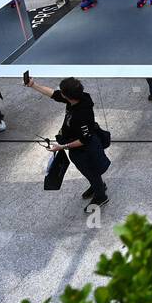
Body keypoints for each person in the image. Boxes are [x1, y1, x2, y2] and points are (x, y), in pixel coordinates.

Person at [24, 76, 110, 210]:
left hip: (86, 150)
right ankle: (97, 186)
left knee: (91, 171)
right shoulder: (77, 97)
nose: (59, 92)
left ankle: (101, 196)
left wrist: (62, 147)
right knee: (88, 172)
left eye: (62, 90)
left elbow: (84, 139)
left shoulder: (82, 114)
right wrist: (33, 85)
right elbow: (52, 93)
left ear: (68, 95)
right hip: (76, 146)